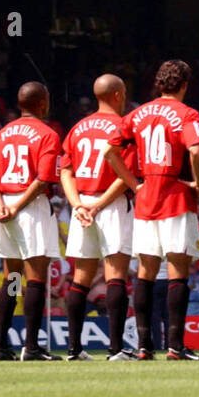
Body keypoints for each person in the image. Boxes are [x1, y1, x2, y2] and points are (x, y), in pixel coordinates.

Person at [126, 59, 199, 361]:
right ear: (185, 85)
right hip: (175, 194)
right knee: (177, 272)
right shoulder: (187, 113)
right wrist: (198, 182)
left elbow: (110, 150)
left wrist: (134, 184)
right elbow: (196, 149)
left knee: (145, 273)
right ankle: (175, 346)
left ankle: (144, 346)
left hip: (146, 196)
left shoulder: (137, 113)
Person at [59, 73, 140, 361]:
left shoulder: (78, 127)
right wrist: (98, 206)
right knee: (115, 275)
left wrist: (78, 204)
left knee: (80, 277)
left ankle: (74, 349)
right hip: (111, 204)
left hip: (82, 206)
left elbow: (65, 170)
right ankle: (116, 349)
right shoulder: (124, 125)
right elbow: (125, 174)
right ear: (118, 95)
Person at [0, 81, 62, 361]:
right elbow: (43, 179)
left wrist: (1, 205)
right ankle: (30, 346)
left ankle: (0, 345)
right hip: (29, 208)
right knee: (35, 278)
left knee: (12, 277)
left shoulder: (0, 134)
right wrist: (17, 205)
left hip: (5, 205)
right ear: (42, 103)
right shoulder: (48, 134)